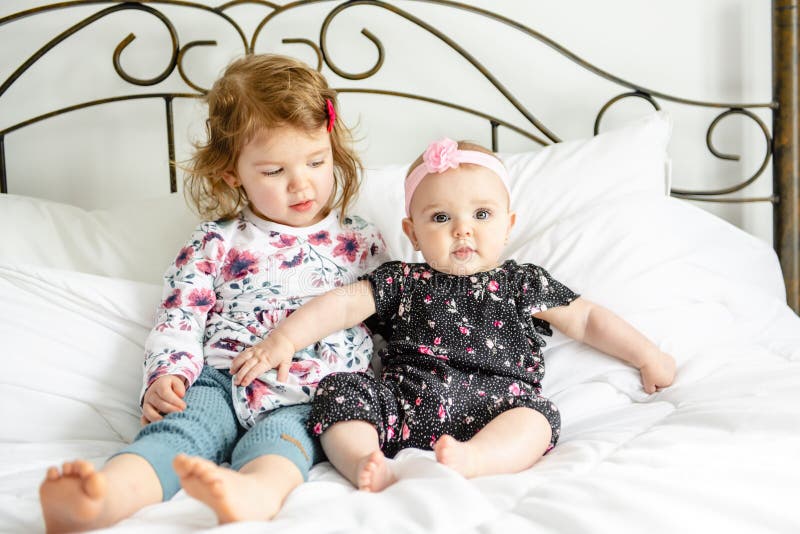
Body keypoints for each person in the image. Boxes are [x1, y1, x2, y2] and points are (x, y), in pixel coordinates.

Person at [38, 54, 388, 532]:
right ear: (232, 174)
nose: (300, 182)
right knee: (179, 431)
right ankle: (104, 495)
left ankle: (250, 495)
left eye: (316, 161)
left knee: (284, 446)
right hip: (222, 381)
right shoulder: (215, 242)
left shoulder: (361, 240)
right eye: (272, 171)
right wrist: (168, 376)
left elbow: (394, 320)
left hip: (312, 391)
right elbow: (180, 317)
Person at [233, 137, 677, 493]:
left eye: (482, 214)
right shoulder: (403, 280)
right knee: (341, 391)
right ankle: (365, 462)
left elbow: (586, 319)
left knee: (539, 417)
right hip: (405, 407)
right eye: (441, 217)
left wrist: (646, 355)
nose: (463, 229)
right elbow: (344, 304)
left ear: (509, 223)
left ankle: (477, 460)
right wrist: (285, 339)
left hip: (499, 405)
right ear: (413, 232)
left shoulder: (522, 283)